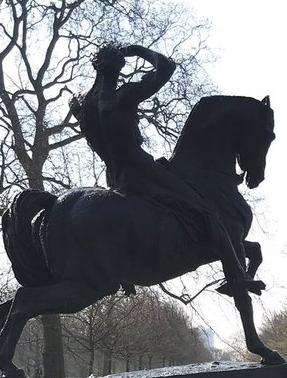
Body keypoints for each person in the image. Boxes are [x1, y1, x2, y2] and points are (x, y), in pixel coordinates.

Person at [71, 43, 263, 293]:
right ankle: (238, 276)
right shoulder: (122, 97)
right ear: (119, 66)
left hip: (115, 179)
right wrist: (137, 50)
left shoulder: (83, 107)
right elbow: (167, 67)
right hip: (142, 171)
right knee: (207, 210)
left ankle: (125, 274)